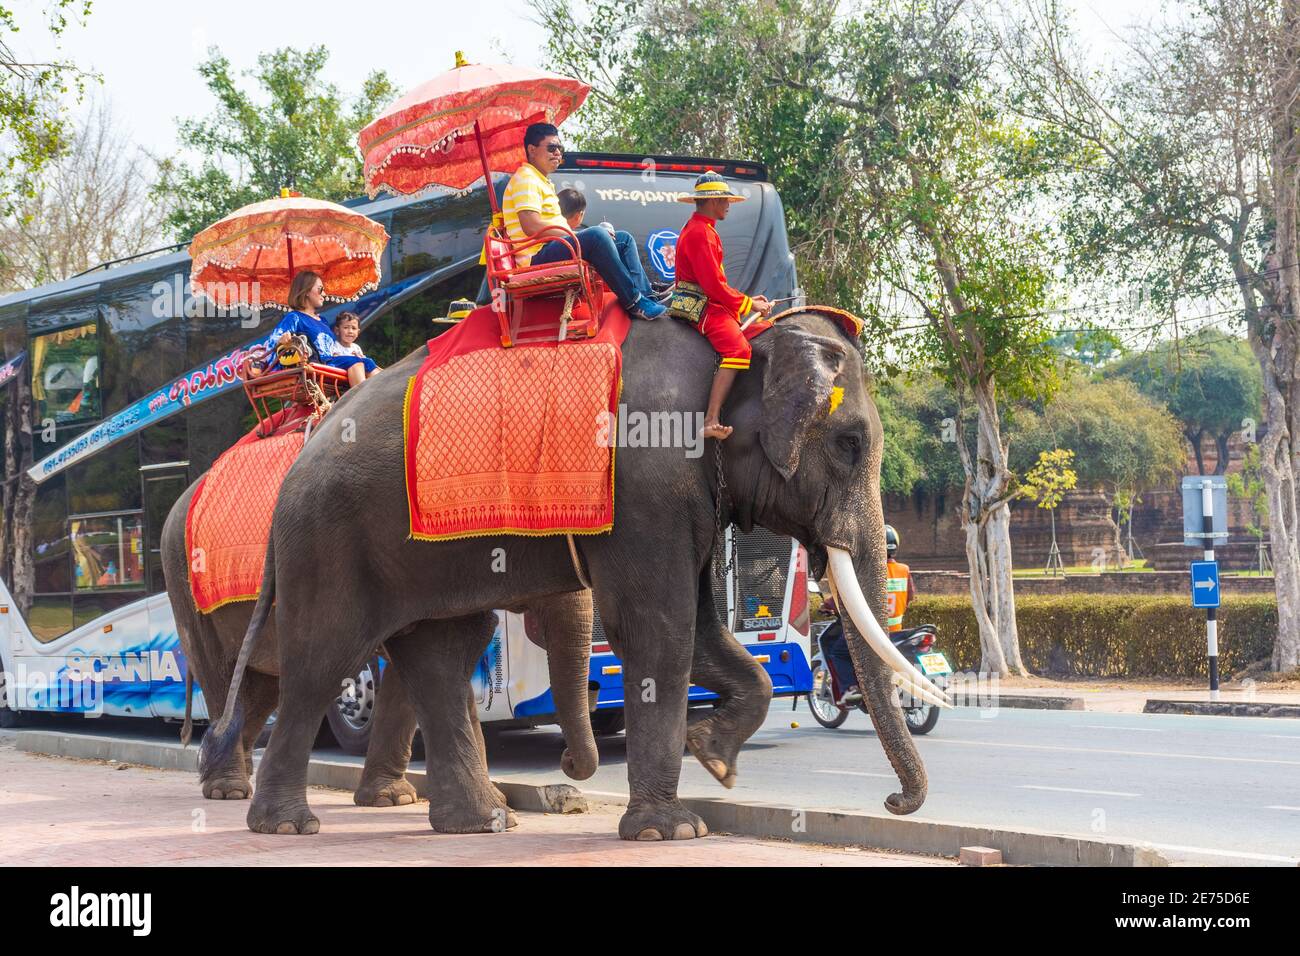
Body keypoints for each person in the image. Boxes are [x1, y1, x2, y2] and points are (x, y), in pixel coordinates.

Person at [502, 123, 666, 320]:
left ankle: (646, 296)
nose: (557, 153)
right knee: (596, 235)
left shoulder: (540, 180)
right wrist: (575, 236)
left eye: (560, 149)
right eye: (552, 147)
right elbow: (531, 225)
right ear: (532, 149)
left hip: (552, 246)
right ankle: (634, 302)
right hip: (535, 257)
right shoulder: (526, 178)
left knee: (624, 239)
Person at [669, 171, 774, 439]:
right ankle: (711, 418)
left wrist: (750, 303)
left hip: (709, 302)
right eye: (725, 200)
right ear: (713, 201)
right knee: (738, 349)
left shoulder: (702, 229)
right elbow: (713, 286)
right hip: (702, 307)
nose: (729, 205)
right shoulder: (701, 233)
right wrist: (748, 303)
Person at [260, 271, 378, 388]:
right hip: (316, 365)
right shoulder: (294, 317)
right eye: (320, 289)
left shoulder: (323, 320)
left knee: (367, 361)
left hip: (331, 362)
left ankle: (383, 395)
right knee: (357, 363)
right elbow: (272, 342)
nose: (324, 294)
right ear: (306, 291)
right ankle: (364, 402)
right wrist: (282, 339)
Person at [884, 524, 915, 633]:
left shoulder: (872, 570)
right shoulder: (904, 570)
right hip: (897, 631)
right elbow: (910, 597)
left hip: (874, 632)